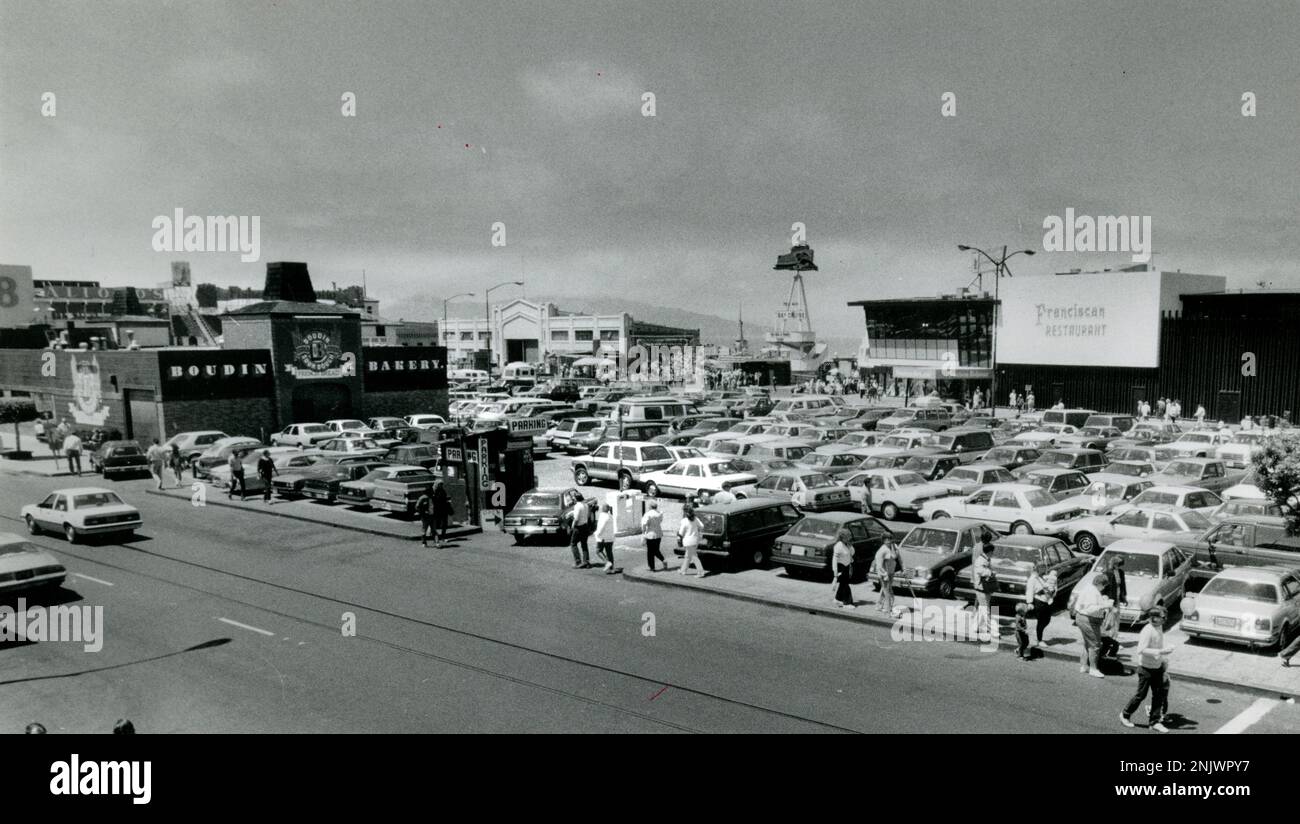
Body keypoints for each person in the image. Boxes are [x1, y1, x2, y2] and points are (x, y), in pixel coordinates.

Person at [1121, 607, 1176, 732]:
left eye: (1165, 616)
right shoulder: (1147, 630)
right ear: (1154, 617)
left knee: (1159, 694)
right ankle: (1125, 715)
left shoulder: (1159, 627)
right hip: (1145, 668)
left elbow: (1158, 644)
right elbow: (1141, 650)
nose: (1165, 619)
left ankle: (1154, 721)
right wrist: (1161, 651)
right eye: (1163, 617)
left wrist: (1163, 658)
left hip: (1157, 666)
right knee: (1141, 695)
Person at [1070, 573, 1111, 678]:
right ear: (1100, 584)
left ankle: (1084, 666)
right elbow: (1091, 609)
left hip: (1083, 618)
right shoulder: (1093, 592)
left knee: (1087, 643)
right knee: (1095, 644)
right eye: (1104, 586)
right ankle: (1093, 668)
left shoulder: (1089, 588)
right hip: (1088, 619)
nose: (1104, 588)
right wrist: (1105, 605)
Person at [1024, 562, 1057, 647]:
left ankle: (1038, 632)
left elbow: (1054, 587)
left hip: (1047, 600)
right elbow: (1030, 591)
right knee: (1041, 620)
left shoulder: (1046, 577)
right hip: (1038, 600)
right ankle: (1039, 639)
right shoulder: (1033, 578)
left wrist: (1053, 591)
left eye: (1044, 567)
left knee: (1047, 620)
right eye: (1041, 567)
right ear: (1037, 568)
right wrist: (1030, 602)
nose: (1044, 569)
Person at [972, 537, 998, 637]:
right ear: (989, 552)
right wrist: (991, 572)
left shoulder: (986, 559)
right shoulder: (980, 560)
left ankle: (975, 627)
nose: (993, 553)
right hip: (981, 588)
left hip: (985, 588)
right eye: (992, 552)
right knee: (985, 609)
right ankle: (990, 629)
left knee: (982, 608)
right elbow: (981, 571)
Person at [677, 504, 706, 577]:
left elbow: (681, 532)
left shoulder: (684, 521)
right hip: (695, 540)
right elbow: (702, 526)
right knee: (688, 556)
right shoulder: (695, 519)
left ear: (684, 512)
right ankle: (683, 570)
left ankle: (701, 572)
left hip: (688, 541)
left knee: (694, 557)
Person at [873, 538, 899, 615]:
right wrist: (884, 575)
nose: (890, 542)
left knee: (884, 590)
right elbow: (879, 565)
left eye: (891, 540)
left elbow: (895, 556)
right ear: (884, 541)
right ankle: (888, 607)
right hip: (885, 574)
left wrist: (894, 548)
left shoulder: (893, 547)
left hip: (891, 571)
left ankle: (879, 605)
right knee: (888, 591)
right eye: (888, 540)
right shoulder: (882, 550)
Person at [831, 529, 855, 609]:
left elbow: (852, 552)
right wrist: (835, 573)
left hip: (847, 566)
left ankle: (838, 599)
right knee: (845, 584)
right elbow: (834, 560)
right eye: (848, 537)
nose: (849, 538)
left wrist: (850, 545)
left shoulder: (847, 544)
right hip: (841, 567)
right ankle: (847, 602)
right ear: (843, 537)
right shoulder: (838, 545)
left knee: (843, 583)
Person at [567, 493, 591, 568]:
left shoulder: (577, 506)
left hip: (579, 527)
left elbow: (576, 519)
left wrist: (572, 527)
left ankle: (578, 562)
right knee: (584, 544)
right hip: (585, 526)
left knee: (573, 544)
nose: (573, 499)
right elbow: (587, 515)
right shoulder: (585, 505)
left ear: (576, 498)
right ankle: (586, 561)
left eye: (574, 498)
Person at [642, 500, 665, 571]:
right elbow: (660, 521)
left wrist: (643, 531)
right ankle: (663, 560)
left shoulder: (648, 514)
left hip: (650, 534)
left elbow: (644, 524)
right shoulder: (659, 513)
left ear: (650, 506)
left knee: (650, 551)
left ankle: (652, 566)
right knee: (656, 550)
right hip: (658, 533)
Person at [431, 479, 454, 547]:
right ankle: (435, 538)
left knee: (444, 523)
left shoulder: (443, 491)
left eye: (442, 484)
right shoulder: (433, 491)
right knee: (434, 524)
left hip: (443, 509)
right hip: (436, 510)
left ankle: (443, 537)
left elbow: (445, 499)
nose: (441, 485)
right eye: (440, 484)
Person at [594, 503, 616, 574]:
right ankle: (611, 569)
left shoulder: (602, 516)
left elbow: (601, 527)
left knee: (598, 551)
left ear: (603, 509)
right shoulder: (611, 516)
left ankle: (607, 563)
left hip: (603, 538)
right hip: (610, 537)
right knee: (609, 552)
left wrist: (597, 534)